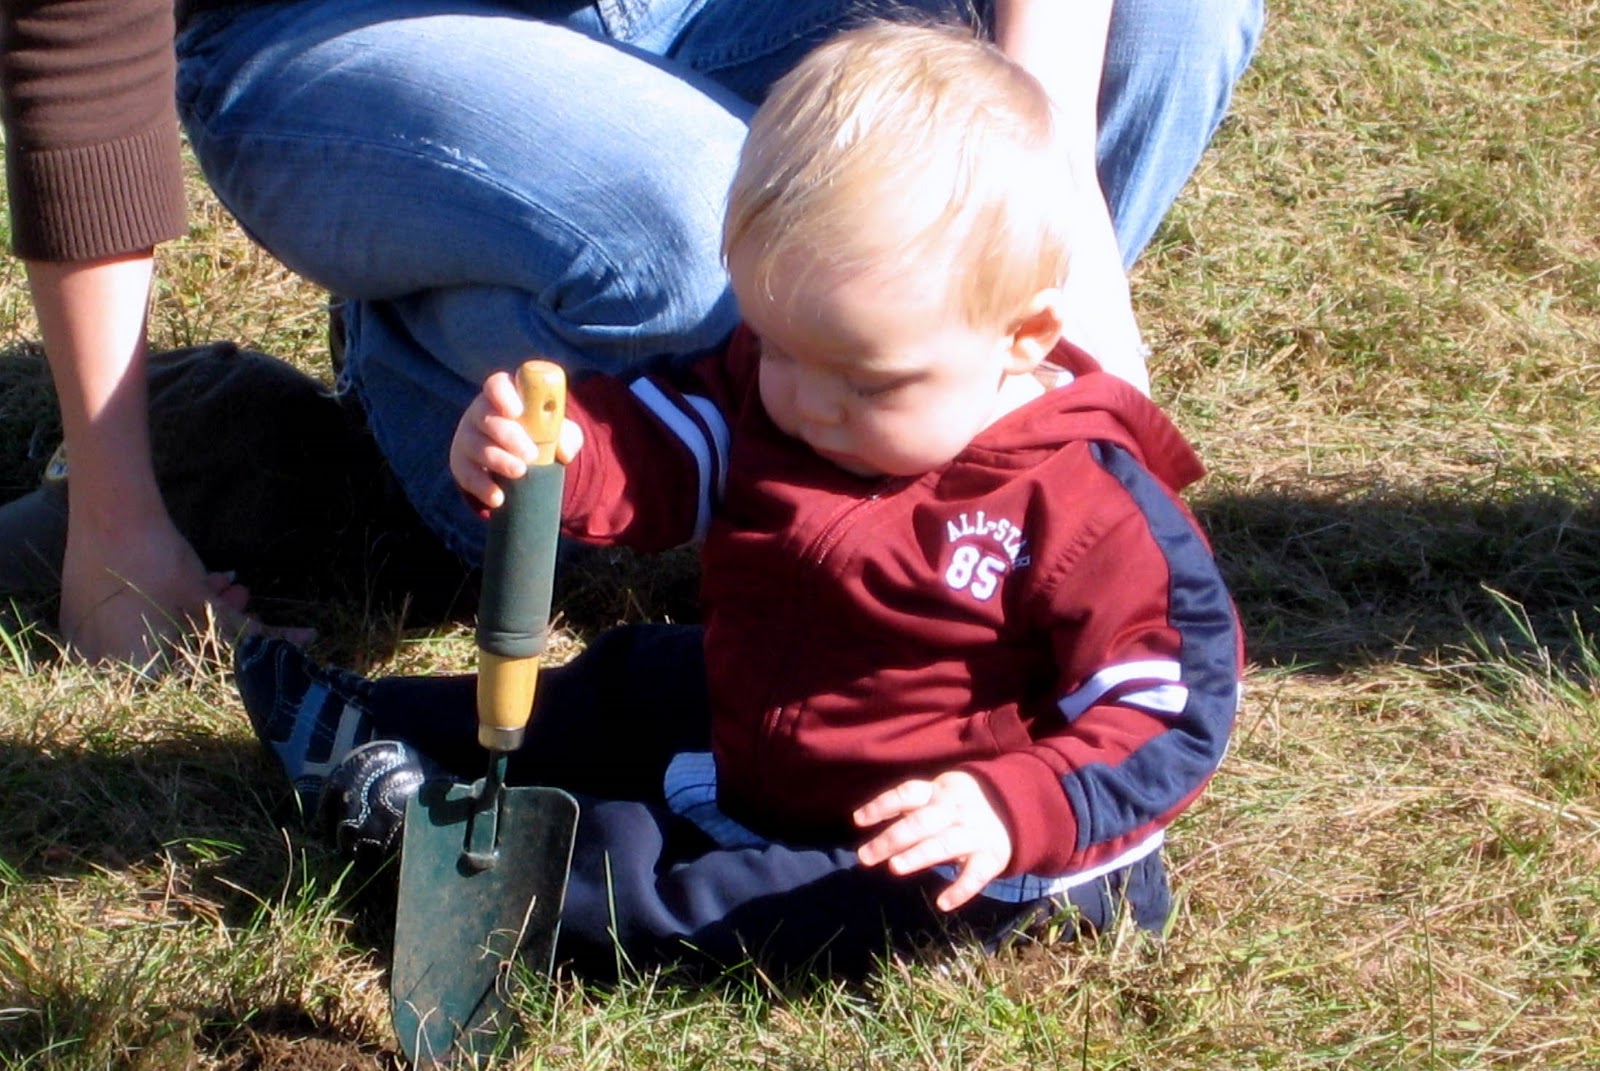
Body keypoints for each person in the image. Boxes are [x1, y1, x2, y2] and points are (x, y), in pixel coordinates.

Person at [233, 22, 1244, 979]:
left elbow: (1165, 708)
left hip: (937, 838)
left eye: (864, 381)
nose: (806, 402)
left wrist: (1015, 803)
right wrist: (560, 458)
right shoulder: (797, 379)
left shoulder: (1088, 508)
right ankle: (373, 728)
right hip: (764, 709)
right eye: (781, 351)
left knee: (704, 894)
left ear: (1022, 336)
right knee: (629, 677)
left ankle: (471, 869)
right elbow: (672, 443)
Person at [1, 0, 1262, 665]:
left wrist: (1058, 212)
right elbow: (78, 32)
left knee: (1173, 16)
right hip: (339, 19)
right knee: (721, 230)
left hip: (709, 10)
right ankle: (430, 438)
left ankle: (920, 509)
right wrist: (120, 526)